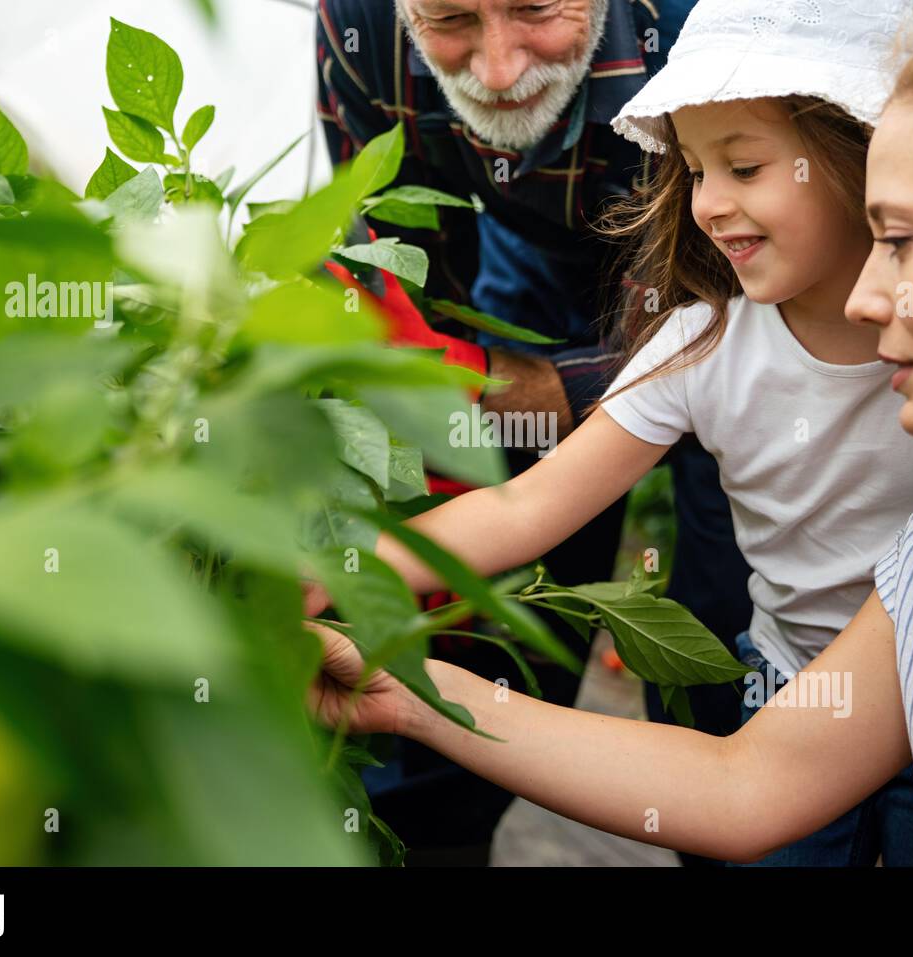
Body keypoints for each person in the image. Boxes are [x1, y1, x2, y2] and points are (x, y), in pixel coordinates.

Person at [304, 0, 913, 867]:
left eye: (897, 236)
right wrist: (380, 637)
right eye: (695, 173)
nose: (709, 205)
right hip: (790, 679)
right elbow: (747, 782)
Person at [316, 0, 757, 863]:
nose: (498, 68)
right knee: (506, 613)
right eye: (449, 21)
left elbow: (764, 280)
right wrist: (440, 389)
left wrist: (559, 387)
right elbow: (401, 260)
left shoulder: (707, 21)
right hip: (526, 259)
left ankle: (727, 812)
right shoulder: (360, 25)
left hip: (727, 281)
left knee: (728, 616)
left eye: (536, 11)